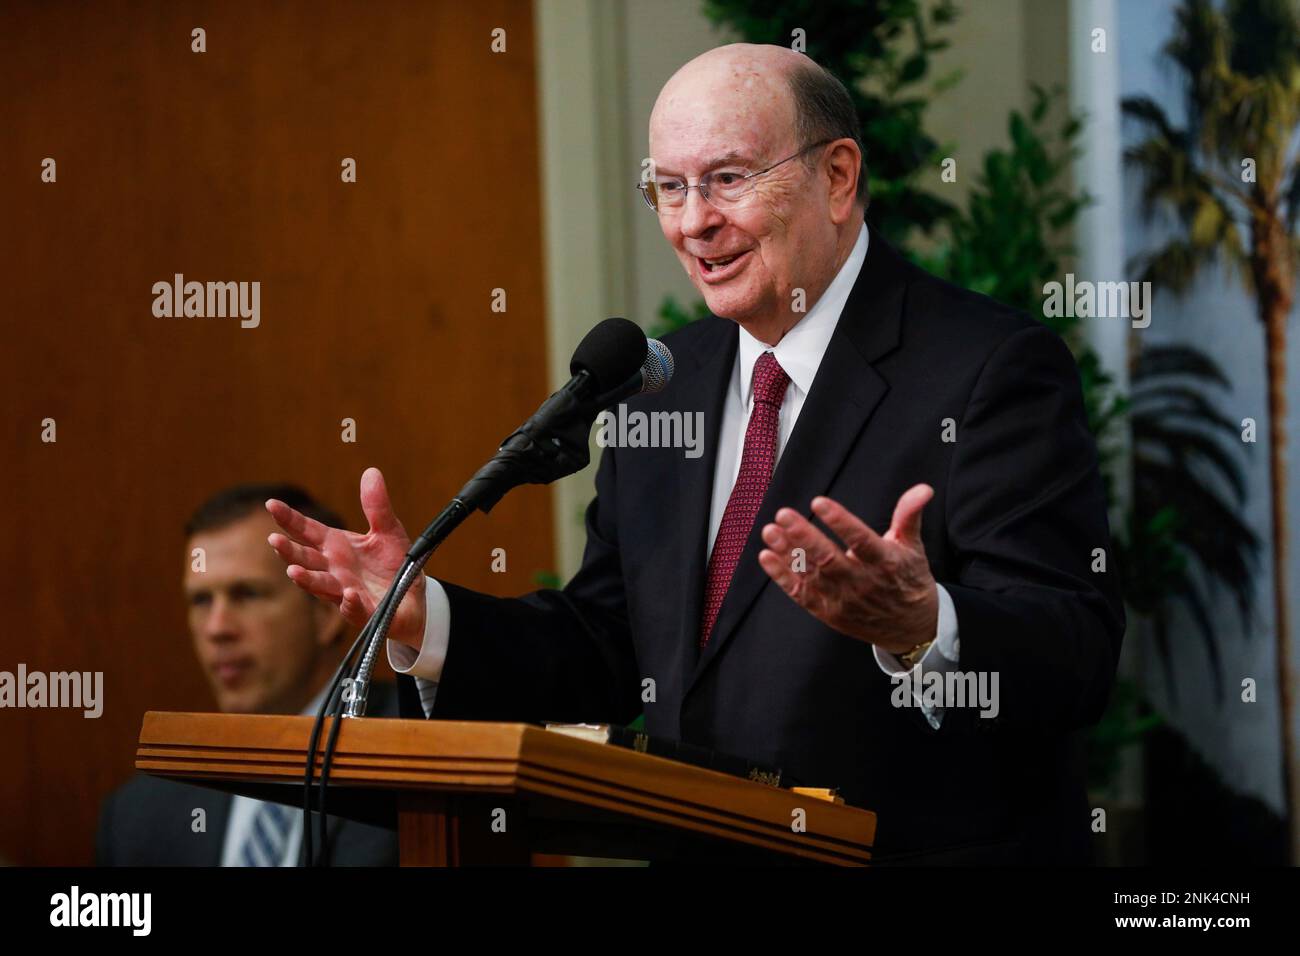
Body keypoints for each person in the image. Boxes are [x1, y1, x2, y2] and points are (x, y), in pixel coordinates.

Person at [267, 44, 1124, 864]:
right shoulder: (661, 382)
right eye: (668, 188)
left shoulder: (986, 366)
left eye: (726, 179)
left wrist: (924, 625)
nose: (694, 222)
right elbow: (608, 648)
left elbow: (1077, 653)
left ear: (837, 176)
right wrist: (428, 617)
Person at [97, 484, 399, 866]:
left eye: (246, 594)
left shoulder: (419, 759)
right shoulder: (137, 816)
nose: (216, 628)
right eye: (201, 600)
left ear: (325, 611)